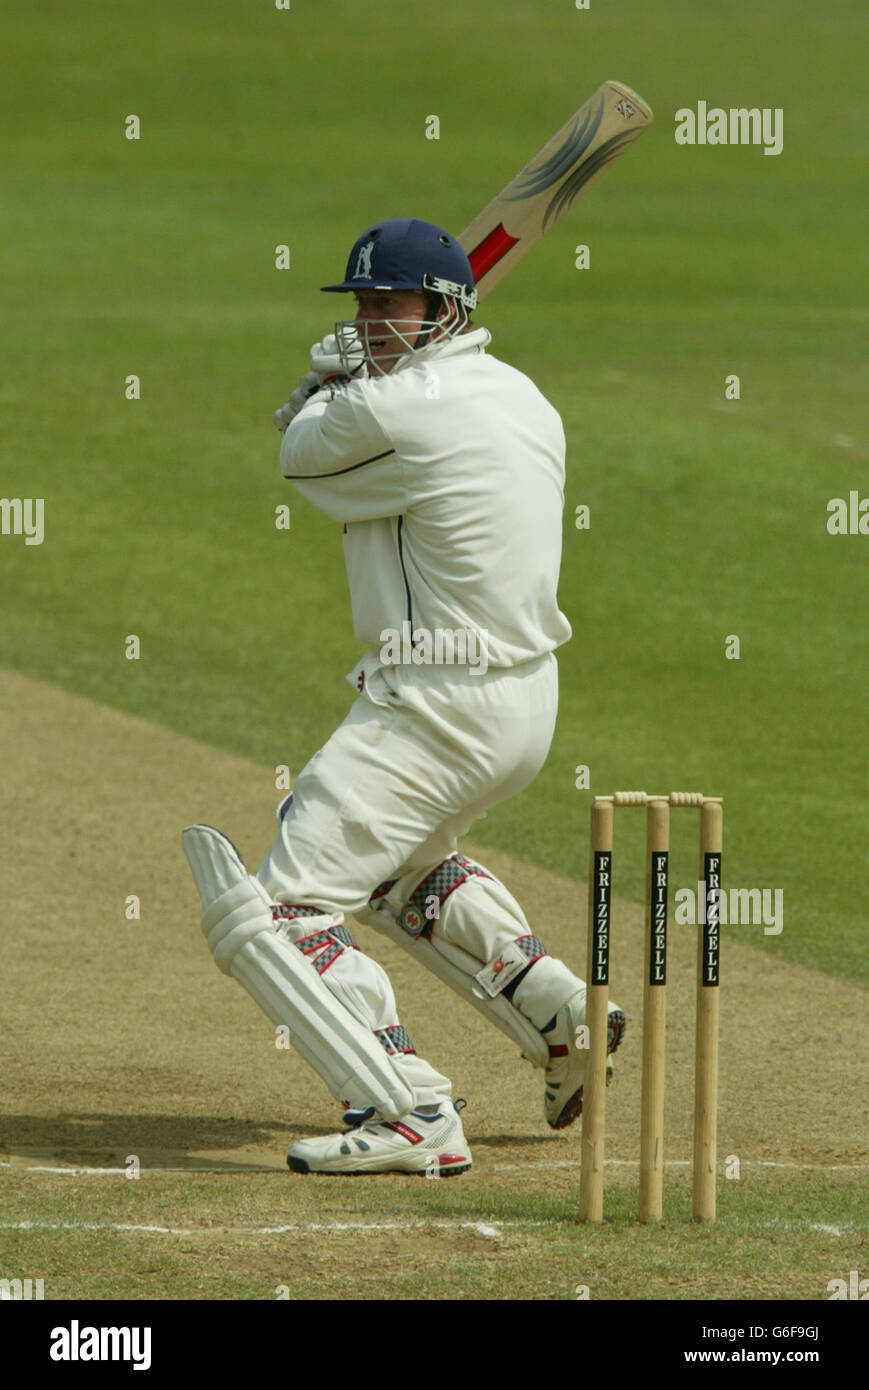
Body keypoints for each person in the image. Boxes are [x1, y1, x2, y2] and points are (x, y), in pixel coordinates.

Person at [182, 218, 623, 1176]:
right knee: (394, 871)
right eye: (363, 305)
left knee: (278, 914)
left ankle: (407, 1107)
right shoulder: (520, 393)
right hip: (520, 705)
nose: (373, 321)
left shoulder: (394, 411)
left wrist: (326, 390)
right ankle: (556, 1011)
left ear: (444, 309)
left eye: (392, 304)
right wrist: (351, 387)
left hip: (434, 706)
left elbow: (304, 459)